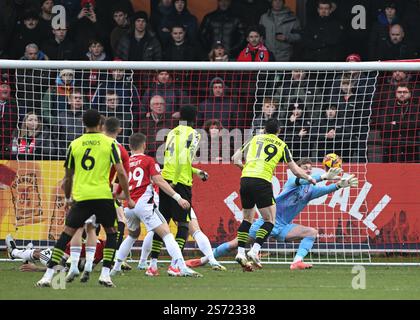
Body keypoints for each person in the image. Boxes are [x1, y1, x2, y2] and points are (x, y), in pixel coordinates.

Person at [196, 158, 358, 270]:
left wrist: (339, 185)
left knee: (311, 232)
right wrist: (323, 177)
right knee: (233, 246)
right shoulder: (293, 182)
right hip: (266, 223)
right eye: (305, 168)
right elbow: (303, 180)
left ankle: (297, 262)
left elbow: (324, 190)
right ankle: (204, 260)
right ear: (298, 171)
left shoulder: (310, 191)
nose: (308, 170)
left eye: (310, 168)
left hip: (282, 227)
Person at [36, 109, 135, 288]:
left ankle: (48, 276)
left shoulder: (74, 144)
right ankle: (105, 275)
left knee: (66, 234)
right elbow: (121, 172)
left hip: (82, 197)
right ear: (100, 125)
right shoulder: (110, 144)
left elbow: (68, 177)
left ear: (83, 123)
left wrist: (67, 198)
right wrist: (127, 196)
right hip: (103, 196)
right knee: (112, 233)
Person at [110, 132, 201, 277]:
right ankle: (181, 267)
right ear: (144, 145)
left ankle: (116, 267)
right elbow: (159, 181)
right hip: (144, 205)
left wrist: (126, 198)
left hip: (129, 206)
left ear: (129, 146)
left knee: (133, 235)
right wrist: (178, 197)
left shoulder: (125, 163)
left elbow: (115, 191)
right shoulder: (148, 161)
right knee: (167, 234)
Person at [231, 118, 317, 270]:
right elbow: (295, 170)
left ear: (264, 129)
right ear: (279, 131)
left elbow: (234, 158)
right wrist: (309, 177)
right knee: (270, 220)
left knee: (247, 219)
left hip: (245, 180)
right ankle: (255, 250)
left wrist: (243, 168)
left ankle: (240, 253)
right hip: (262, 181)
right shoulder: (282, 145)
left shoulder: (254, 139)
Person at [148, 105, 209, 274]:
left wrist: (197, 172)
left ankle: (152, 265)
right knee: (183, 224)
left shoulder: (172, 132)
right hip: (179, 182)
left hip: (166, 178)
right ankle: (176, 265)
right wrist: (175, 182)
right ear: (194, 118)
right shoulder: (195, 134)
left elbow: (173, 159)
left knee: (163, 223)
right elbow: (183, 158)